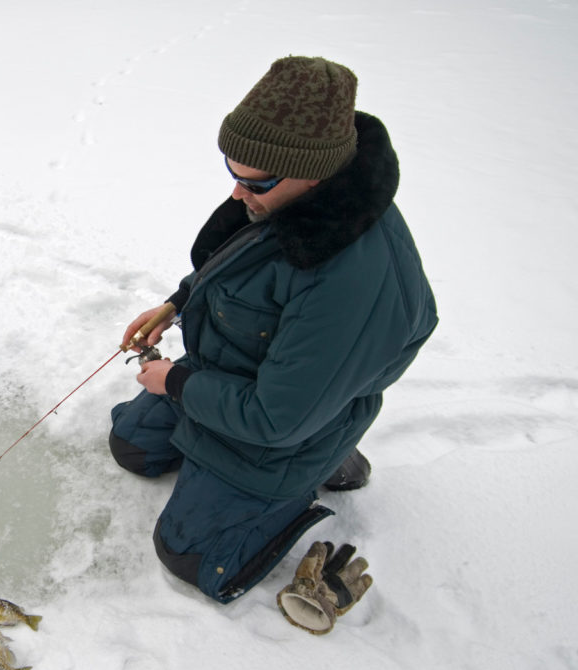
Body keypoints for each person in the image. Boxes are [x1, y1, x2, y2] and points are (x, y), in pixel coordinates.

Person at [110, 56, 438, 605]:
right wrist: (176, 303)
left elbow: (275, 417)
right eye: (231, 172)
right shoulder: (293, 201)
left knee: (190, 555)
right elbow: (238, 265)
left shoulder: (348, 282)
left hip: (285, 423)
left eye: (254, 181)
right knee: (133, 448)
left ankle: (322, 460)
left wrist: (176, 383)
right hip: (245, 376)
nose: (238, 193)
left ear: (313, 172)